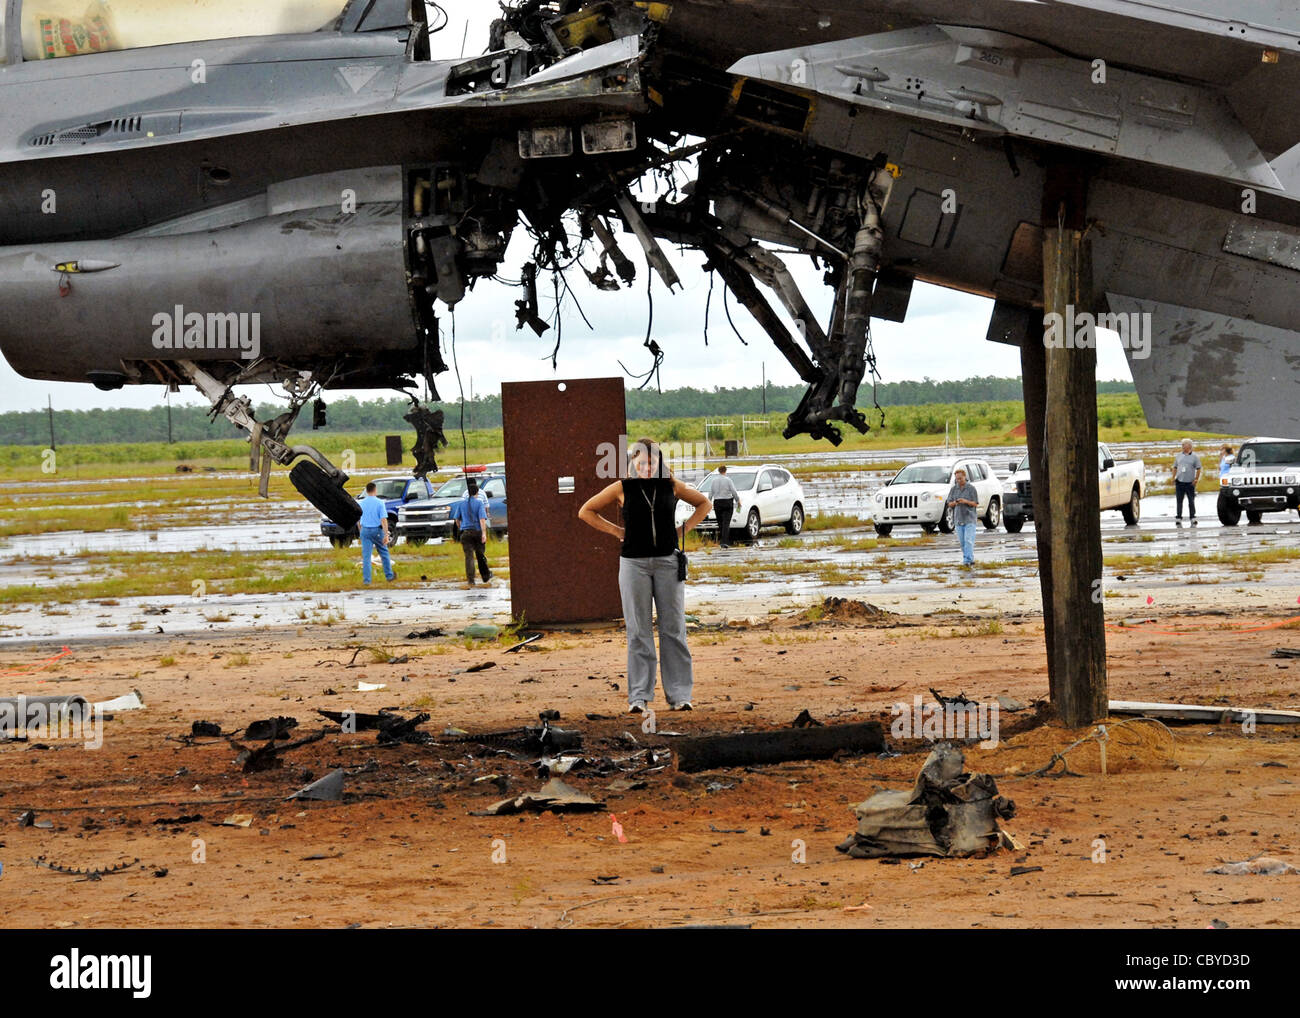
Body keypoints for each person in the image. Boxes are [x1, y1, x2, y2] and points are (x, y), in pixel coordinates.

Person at [579, 438, 711, 714]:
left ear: (659, 463)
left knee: (673, 629)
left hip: (667, 562)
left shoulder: (671, 486)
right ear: (633, 463)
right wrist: (617, 532)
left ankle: (680, 696)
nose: (646, 466)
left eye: (651, 462)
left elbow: (704, 504)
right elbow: (586, 511)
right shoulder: (621, 487)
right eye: (641, 462)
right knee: (638, 631)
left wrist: (683, 530)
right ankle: (639, 697)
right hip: (633, 565)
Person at [450, 478, 493, 587]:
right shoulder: (479, 503)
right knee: (480, 555)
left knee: (469, 557)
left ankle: (470, 580)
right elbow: (482, 520)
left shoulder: (461, 504)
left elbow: (457, 520)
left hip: (466, 533)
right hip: (477, 532)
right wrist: (484, 533)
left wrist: (461, 529)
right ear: (477, 493)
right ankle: (485, 576)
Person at [358, 482, 395, 585]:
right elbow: (383, 519)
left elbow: (358, 520)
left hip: (365, 530)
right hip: (377, 531)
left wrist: (361, 531)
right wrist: (386, 534)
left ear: (366, 490)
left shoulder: (361, 503)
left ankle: (367, 581)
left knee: (366, 557)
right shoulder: (380, 503)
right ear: (375, 490)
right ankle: (389, 576)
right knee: (384, 553)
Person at [945, 467, 979, 567]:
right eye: (957, 479)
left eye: (960, 478)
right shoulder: (953, 489)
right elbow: (949, 503)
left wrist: (965, 501)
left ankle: (966, 561)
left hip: (969, 518)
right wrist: (955, 502)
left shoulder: (971, 489)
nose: (959, 480)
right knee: (963, 542)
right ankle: (970, 558)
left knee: (969, 540)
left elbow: (975, 503)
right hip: (958, 518)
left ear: (965, 477)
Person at [1174, 439, 1203, 526]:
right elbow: (1175, 467)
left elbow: (1198, 468)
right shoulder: (1178, 456)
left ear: (1189, 446)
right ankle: (1178, 517)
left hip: (1190, 482)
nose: (1182, 446)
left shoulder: (1195, 457)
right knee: (1179, 501)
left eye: (1184, 445)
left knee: (1191, 501)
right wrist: (1173, 477)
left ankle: (1192, 517)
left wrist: (1196, 479)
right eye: (1182, 445)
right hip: (1179, 482)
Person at [710, 465, 740, 548]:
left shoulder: (713, 481)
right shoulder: (728, 480)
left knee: (720, 523)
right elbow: (733, 491)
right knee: (726, 523)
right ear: (725, 471)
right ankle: (725, 541)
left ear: (718, 471)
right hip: (727, 502)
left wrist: (709, 502)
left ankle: (722, 541)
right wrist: (738, 500)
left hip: (717, 502)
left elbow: (711, 492)